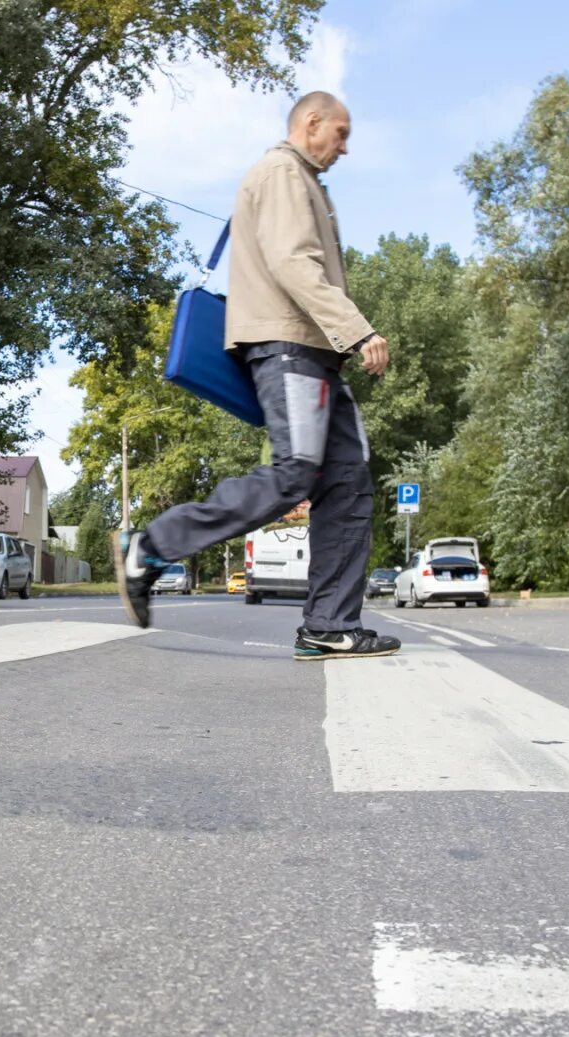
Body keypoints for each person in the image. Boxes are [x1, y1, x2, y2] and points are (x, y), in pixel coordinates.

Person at [112, 91, 398, 660]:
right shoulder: (281, 172)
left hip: (317, 354)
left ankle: (329, 623)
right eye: (340, 133)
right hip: (290, 346)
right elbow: (295, 263)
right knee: (295, 474)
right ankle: (151, 546)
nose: (345, 146)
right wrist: (358, 330)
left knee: (347, 481)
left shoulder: (304, 180)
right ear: (310, 122)